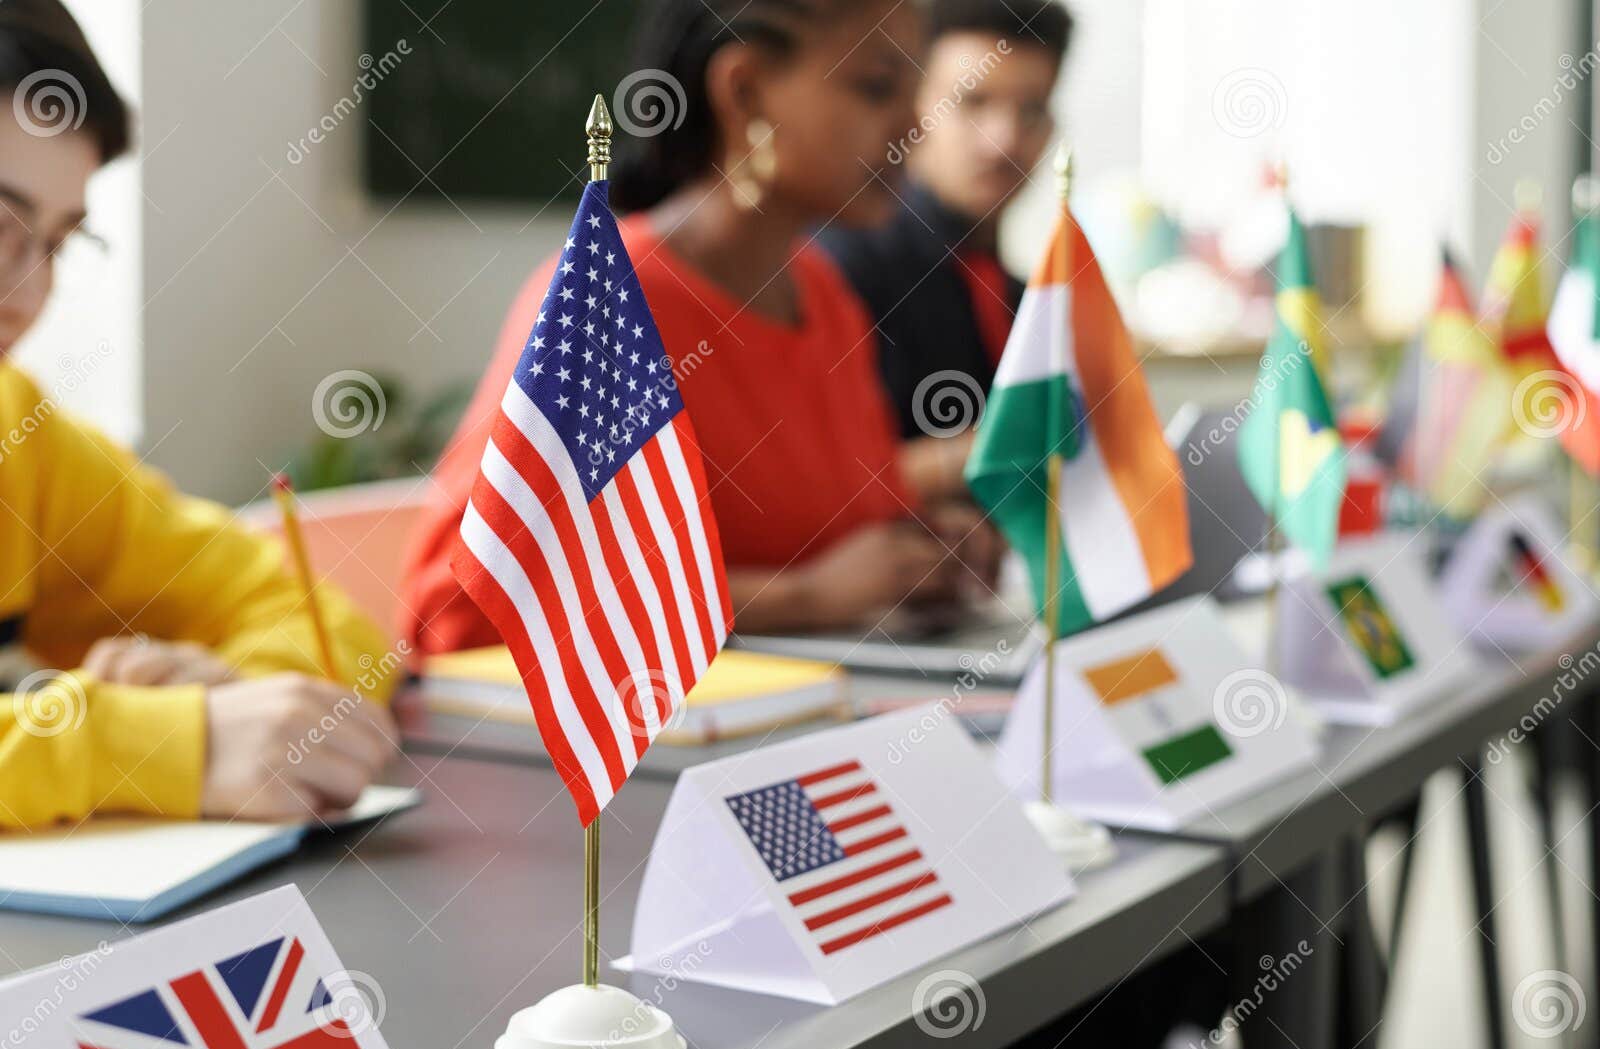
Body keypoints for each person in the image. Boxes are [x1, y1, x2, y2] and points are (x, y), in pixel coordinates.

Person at [402, 0, 1003, 651]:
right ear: (744, 92)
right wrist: (803, 598)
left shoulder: (825, 296)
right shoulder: (611, 295)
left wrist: (924, 549)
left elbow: (846, 526)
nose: (915, 127)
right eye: (877, 87)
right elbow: (460, 604)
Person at [0, 0, 399, 830]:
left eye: (58, 241)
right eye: (1, 226)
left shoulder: (20, 435)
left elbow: (318, 615)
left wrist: (240, 696)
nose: (29, 296)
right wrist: (164, 746)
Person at [820, 0, 1072, 502]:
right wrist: (1011, 446)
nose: (1004, 141)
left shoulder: (1025, 297)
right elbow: (822, 489)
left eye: (1031, 109)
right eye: (973, 102)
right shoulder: (835, 269)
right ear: (909, 107)